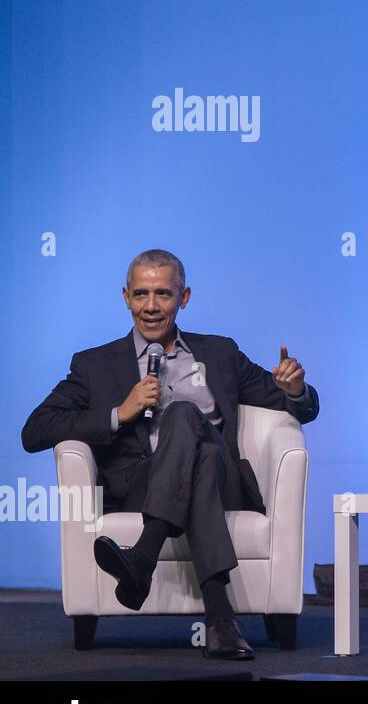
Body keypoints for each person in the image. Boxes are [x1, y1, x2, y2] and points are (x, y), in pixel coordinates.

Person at [21, 249, 320, 660]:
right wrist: (117, 414)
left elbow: (297, 405)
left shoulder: (219, 353)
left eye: (163, 293)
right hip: (144, 487)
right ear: (125, 297)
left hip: (226, 486)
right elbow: (35, 430)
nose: (151, 306)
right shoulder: (94, 365)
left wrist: (294, 389)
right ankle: (220, 621)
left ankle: (141, 556)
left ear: (185, 297)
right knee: (205, 459)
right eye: (141, 294)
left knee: (189, 422)